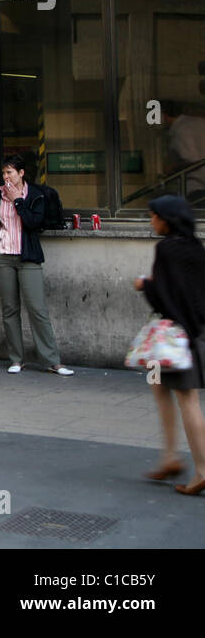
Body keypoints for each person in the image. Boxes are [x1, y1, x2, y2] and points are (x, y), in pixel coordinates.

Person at [135, 195, 205, 495]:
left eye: (153, 216)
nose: (151, 221)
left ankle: (202, 470)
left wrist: (144, 284)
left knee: (187, 399)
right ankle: (171, 457)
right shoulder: (196, 248)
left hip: (174, 338)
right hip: (193, 332)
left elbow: (162, 293)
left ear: (166, 219)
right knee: (158, 385)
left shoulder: (166, 249)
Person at [0, 155, 74, 376]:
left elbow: (33, 222)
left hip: (28, 257)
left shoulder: (35, 194)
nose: (6, 177)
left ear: (21, 173)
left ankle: (52, 361)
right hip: (2, 256)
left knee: (37, 309)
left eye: (10, 172)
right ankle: (16, 359)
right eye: (4, 173)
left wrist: (17, 200)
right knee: (9, 309)